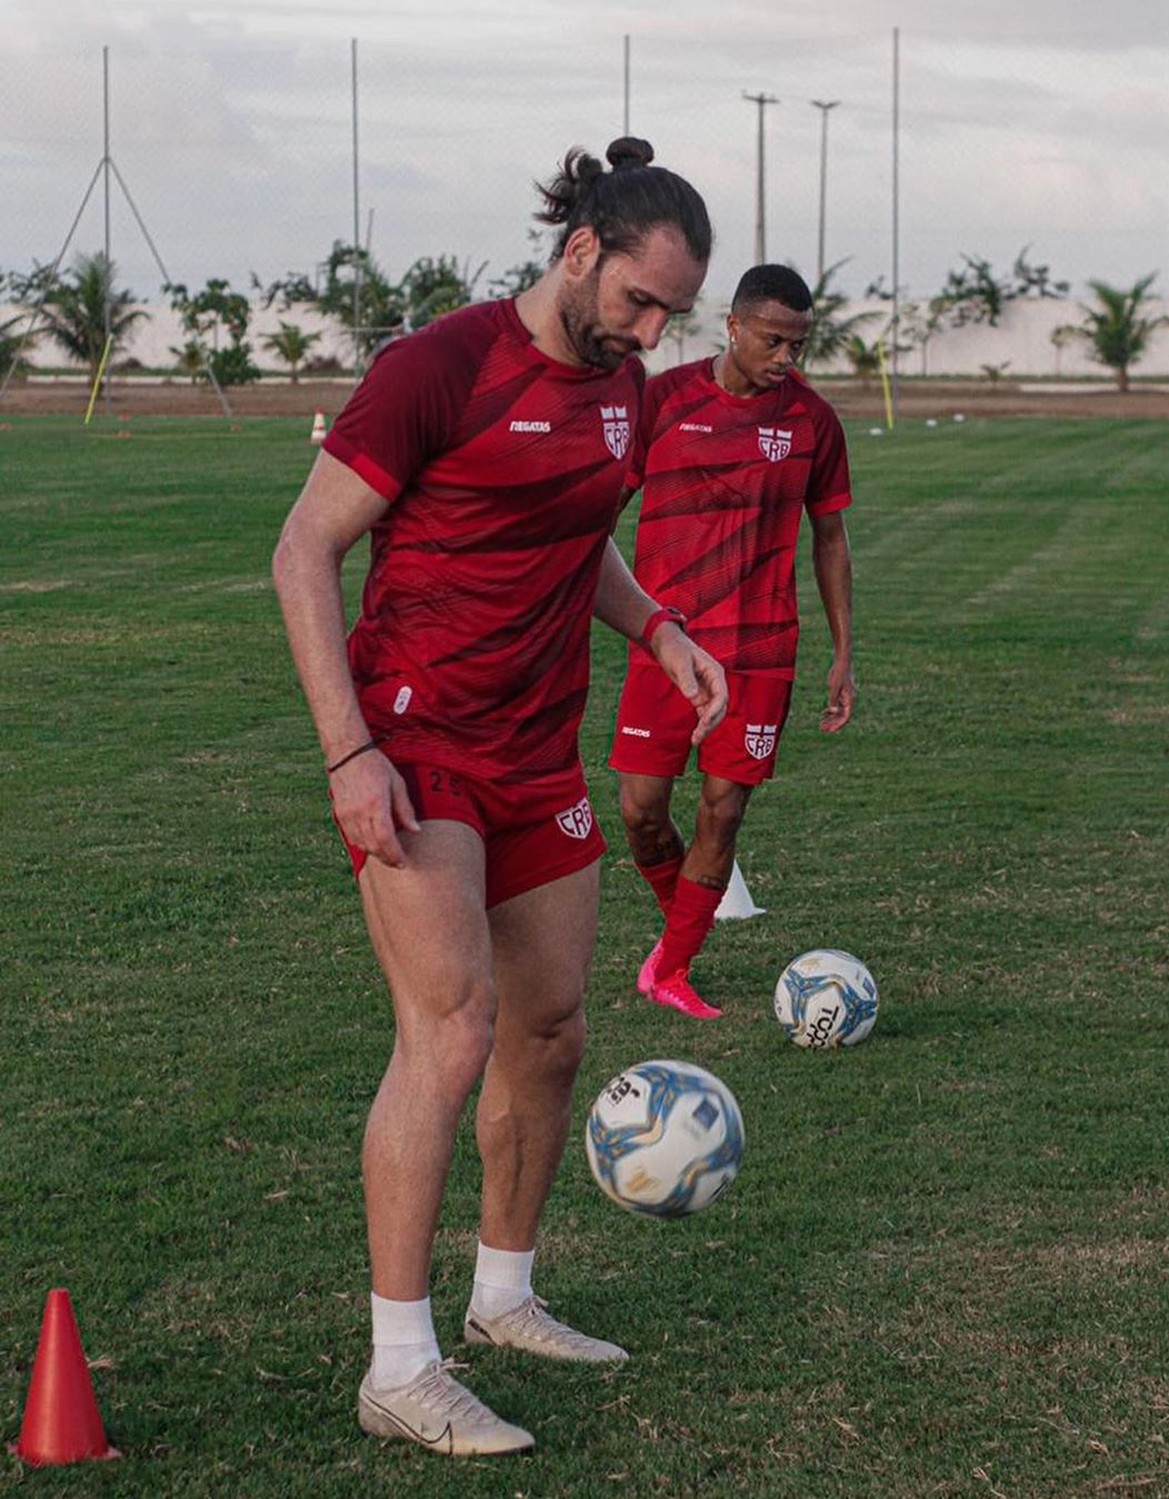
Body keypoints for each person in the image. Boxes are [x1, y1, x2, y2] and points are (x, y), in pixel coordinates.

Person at [272, 138, 723, 1459]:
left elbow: (575, 537)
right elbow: (302, 549)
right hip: (418, 743)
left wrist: (657, 628)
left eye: (670, 316)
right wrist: (349, 753)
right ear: (580, 252)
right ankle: (399, 1363)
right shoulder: (442, 368)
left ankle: (506, 1295)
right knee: (453, 1025)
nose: (649, 333)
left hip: (536, 749)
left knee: (553, 1027)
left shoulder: (623, 389)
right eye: (639, 301)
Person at [609, 262, 856, 1020]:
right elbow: (598, 515)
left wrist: (844, 651)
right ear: (734, 326)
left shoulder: (813, 422)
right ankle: (680, 921)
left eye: (798, 344)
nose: (788, 357)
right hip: (667, 645)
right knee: (640, 811)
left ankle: (674, 965)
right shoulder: (664, 400)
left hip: (759, 650)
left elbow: (830, 537)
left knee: (723, 812)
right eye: (775, 340)